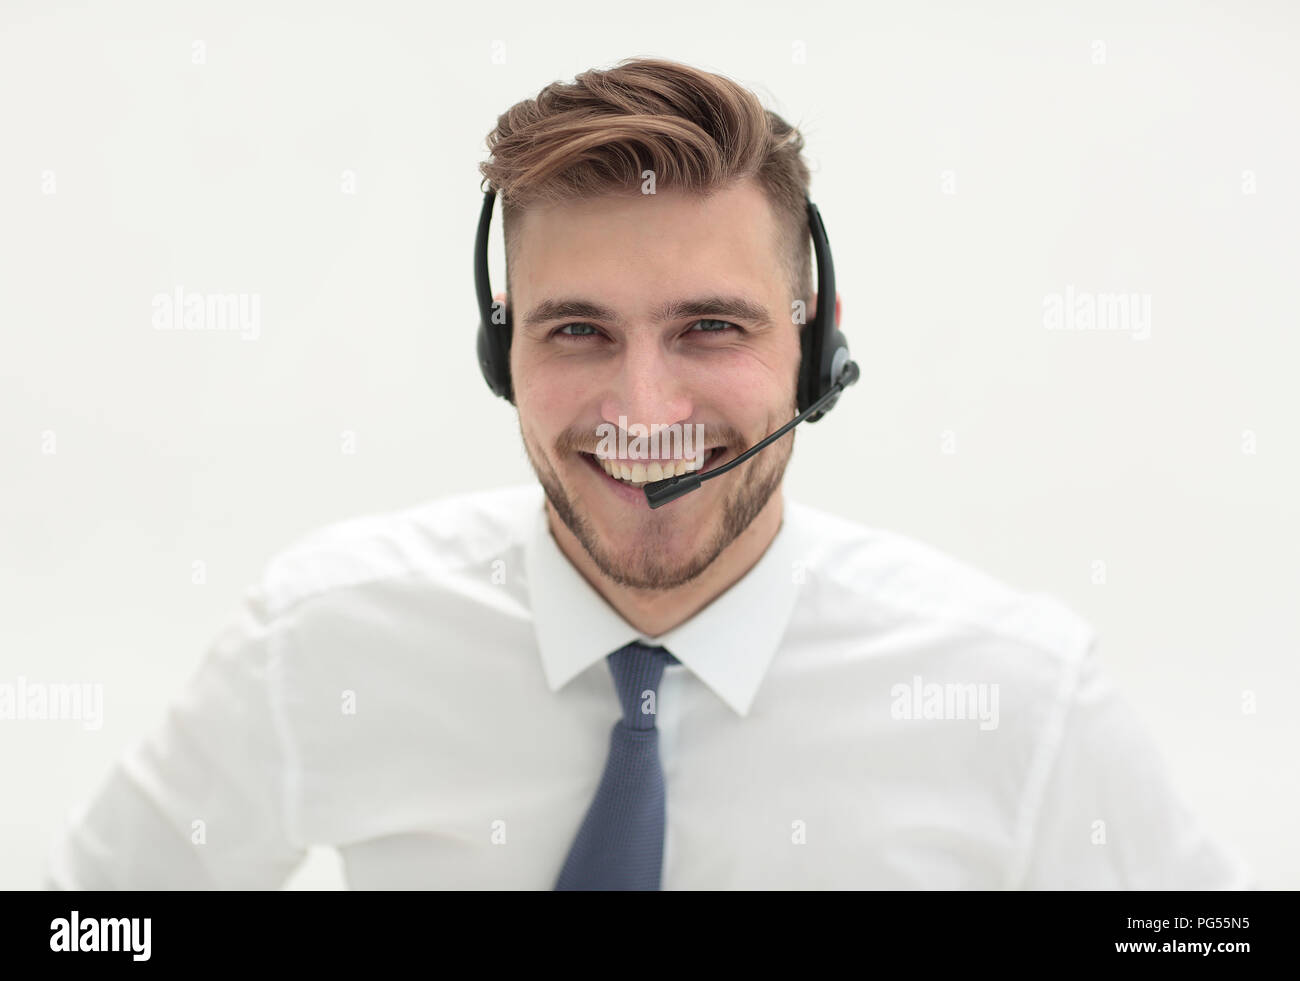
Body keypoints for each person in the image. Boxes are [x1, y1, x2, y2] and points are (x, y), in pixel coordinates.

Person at [45, 57, 1251, 890]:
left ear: (817, 345)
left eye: (710, 329)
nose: (642, 408)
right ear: (499, 348)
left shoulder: (1017, 694)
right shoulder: (320, 642)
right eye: (577, 331)